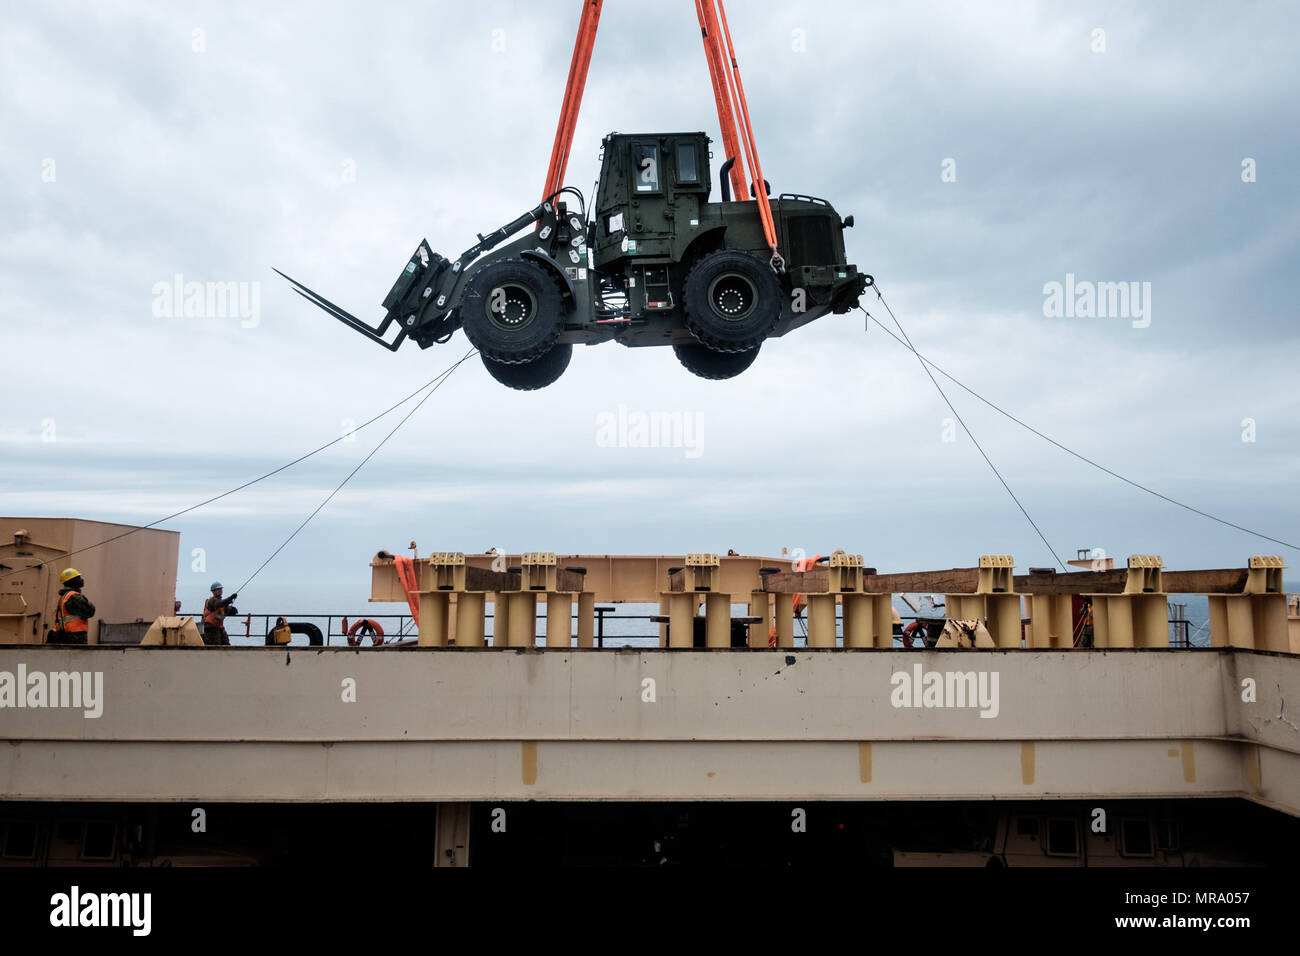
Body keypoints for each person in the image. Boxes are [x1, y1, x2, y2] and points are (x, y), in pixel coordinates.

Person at [49, 568, 95, 644]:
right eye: (78, 578)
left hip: (66, 636)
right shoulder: (74, 597)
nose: (81, 580)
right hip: (75, 638)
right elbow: (90, 611)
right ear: (72, 581)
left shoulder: (64, 596)